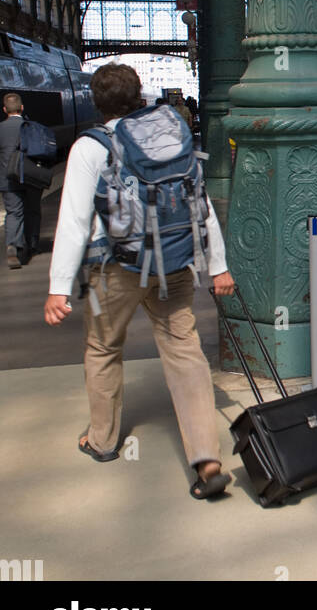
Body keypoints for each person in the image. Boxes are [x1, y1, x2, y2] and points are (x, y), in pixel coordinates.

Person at [43, 63, 236, 500]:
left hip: (116, 268)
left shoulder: (91, 147)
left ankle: (103, 440)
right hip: (174, 264)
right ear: (138, 97)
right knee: (184, 351)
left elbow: (74, 221)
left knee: (104, 347)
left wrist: (58, 288)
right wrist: (218, 266)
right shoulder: (171, 138)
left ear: (96, 102)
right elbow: (199, 204)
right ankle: (207, 460)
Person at [0, 92, 44, 268]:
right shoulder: (32, 127)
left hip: (7, 179)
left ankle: (13, 245)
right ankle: (32, 246)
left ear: (5, 110)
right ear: (22, 108)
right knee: (32, 211)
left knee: (14, 213)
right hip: (31, 177)